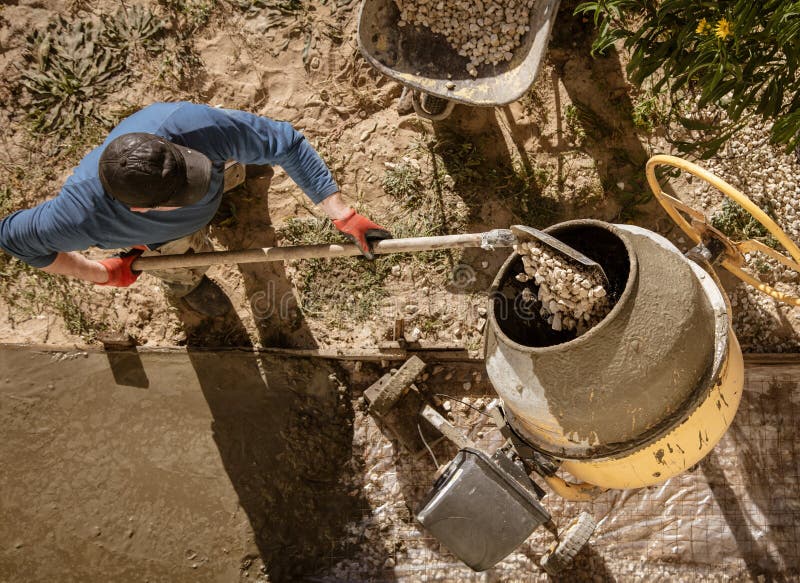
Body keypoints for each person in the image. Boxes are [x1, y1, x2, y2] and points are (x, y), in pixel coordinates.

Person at [0, 102, 392, 316]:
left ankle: (231, 178)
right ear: (139, 207)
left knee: (230, 163)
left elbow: (286, 143)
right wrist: (100, 273)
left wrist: (342, 213)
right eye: (187, 187)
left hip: (215, 163)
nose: (195, 178)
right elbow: (15, 240)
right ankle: (188, 284)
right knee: (180, 264)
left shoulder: (189, 127)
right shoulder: (78, 217)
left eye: (191, 170)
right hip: (165, 238)